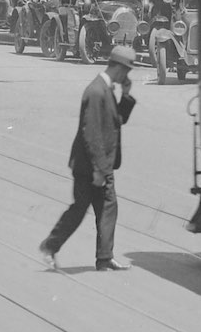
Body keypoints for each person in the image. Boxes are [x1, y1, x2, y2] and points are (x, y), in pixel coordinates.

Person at [40, 51, 139, 271]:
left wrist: (127, 96)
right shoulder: (96, 91)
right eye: (127, 71)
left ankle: (105, 258)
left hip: (101, 164)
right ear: (119, 68)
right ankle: (50, 246)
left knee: (107, 208)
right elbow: (91, 133)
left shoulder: (106, 90)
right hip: (90, 166)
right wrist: (98, 170)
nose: (127, 75)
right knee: (80, 209)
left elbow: (117, 120)